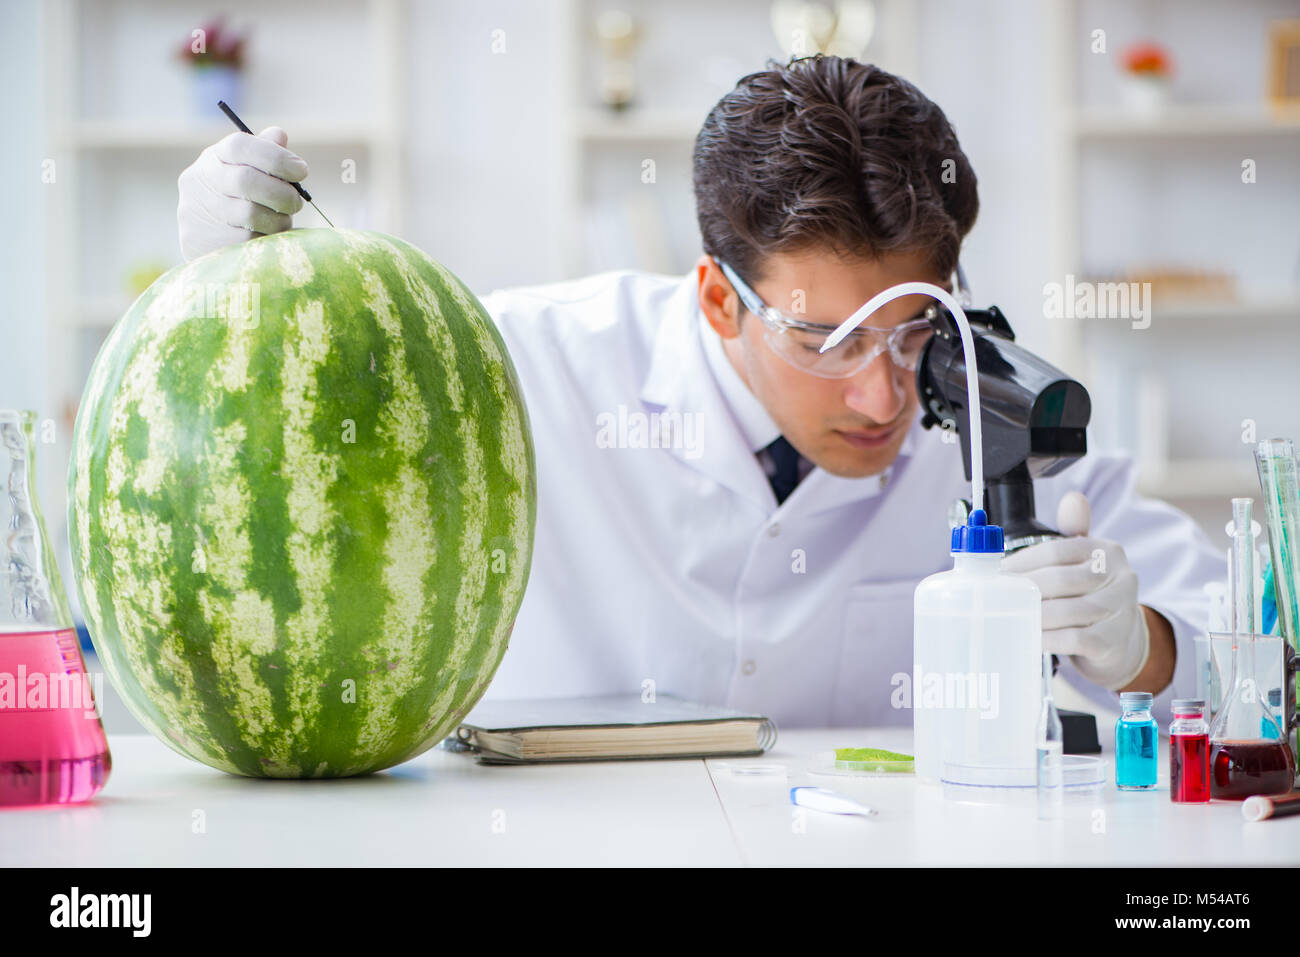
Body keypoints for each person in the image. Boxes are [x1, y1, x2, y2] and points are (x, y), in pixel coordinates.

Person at [174, 55, 1222, 728]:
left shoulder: (983, 409)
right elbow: (261, 470)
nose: (880, 397)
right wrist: (214, 287)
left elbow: (1262, 656)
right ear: (719, 299)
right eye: (825, 339)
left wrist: (1143, 647)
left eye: (910, 330)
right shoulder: (517, 364)